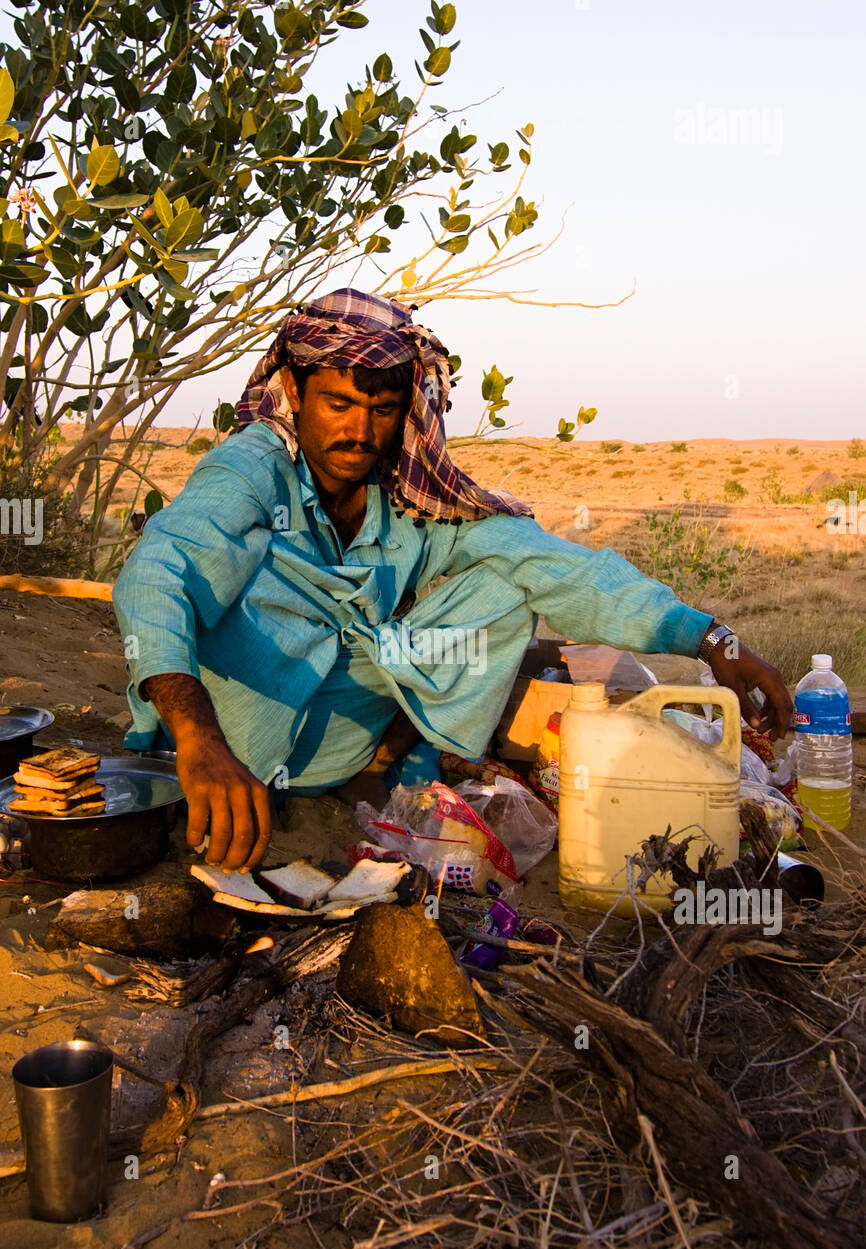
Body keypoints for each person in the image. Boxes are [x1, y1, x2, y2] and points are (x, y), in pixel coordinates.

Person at [112, 288, 793, 873]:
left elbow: (557, 565)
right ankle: (217, 761)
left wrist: (712, 641)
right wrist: (198, 738)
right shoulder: (253, 468)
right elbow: (156, 569)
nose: (360, 431)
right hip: (226, 734)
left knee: (509, 579)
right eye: (338, 405)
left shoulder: (406, 493)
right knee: (209, 561)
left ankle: (381, 764)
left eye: (380, 411)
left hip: (342, 720)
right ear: (294, 390)